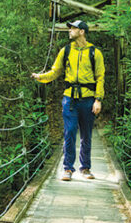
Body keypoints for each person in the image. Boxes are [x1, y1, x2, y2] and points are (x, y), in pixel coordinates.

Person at [31, 19, 106, 181]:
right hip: (70, 99)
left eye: (73, 28)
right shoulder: (65, 51)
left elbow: (100, 77)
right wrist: (40, 77)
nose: (69, 30)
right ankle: (68, 168)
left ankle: (85, 168)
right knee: (70, 132)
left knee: (86, 135)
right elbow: (55, 71)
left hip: (88, 99)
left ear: (82, 32)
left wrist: (98, 99)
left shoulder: (95, 53)